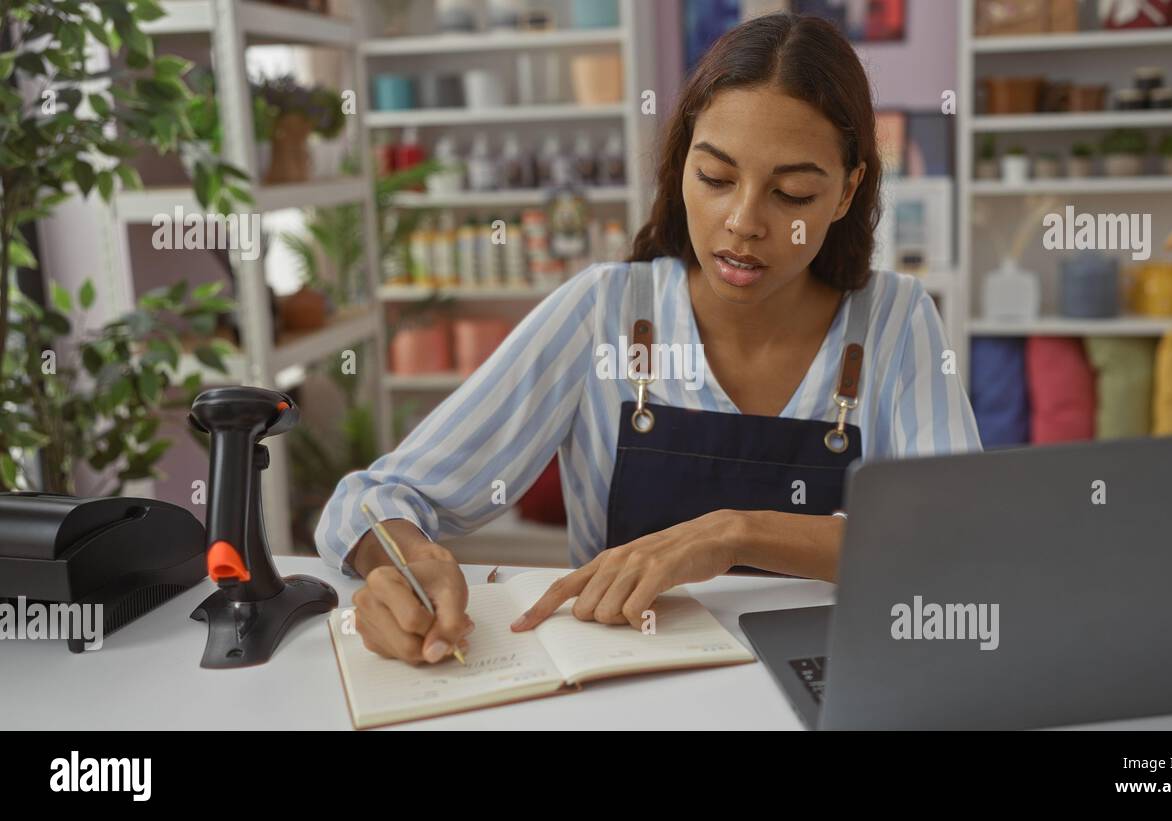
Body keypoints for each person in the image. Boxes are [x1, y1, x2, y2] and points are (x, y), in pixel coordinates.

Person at [314, 11, 981, 666]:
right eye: (715, 179)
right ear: (680, 161)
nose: (743, 222)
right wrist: (412, 566)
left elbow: (958, 536)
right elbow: (371, 501)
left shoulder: (895, 321)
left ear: (846, 191)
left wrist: (733, 532)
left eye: (793, 194)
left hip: (832, 688)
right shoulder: (603, 312)